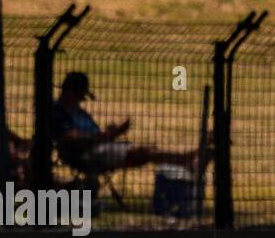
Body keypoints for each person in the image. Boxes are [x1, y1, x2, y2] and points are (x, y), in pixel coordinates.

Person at [53, 71, 200, 178]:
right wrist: (109, 134)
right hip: (87, 154)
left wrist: (109, 133)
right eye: (79, 96)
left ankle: (184, 159)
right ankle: (184, 159)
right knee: (143, 153)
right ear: (69, 92)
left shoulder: (78, 111)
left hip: (101, 147)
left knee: (149, 149)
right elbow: (72, 139)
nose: (80, 101)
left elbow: (93, 133)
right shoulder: (58, 112)